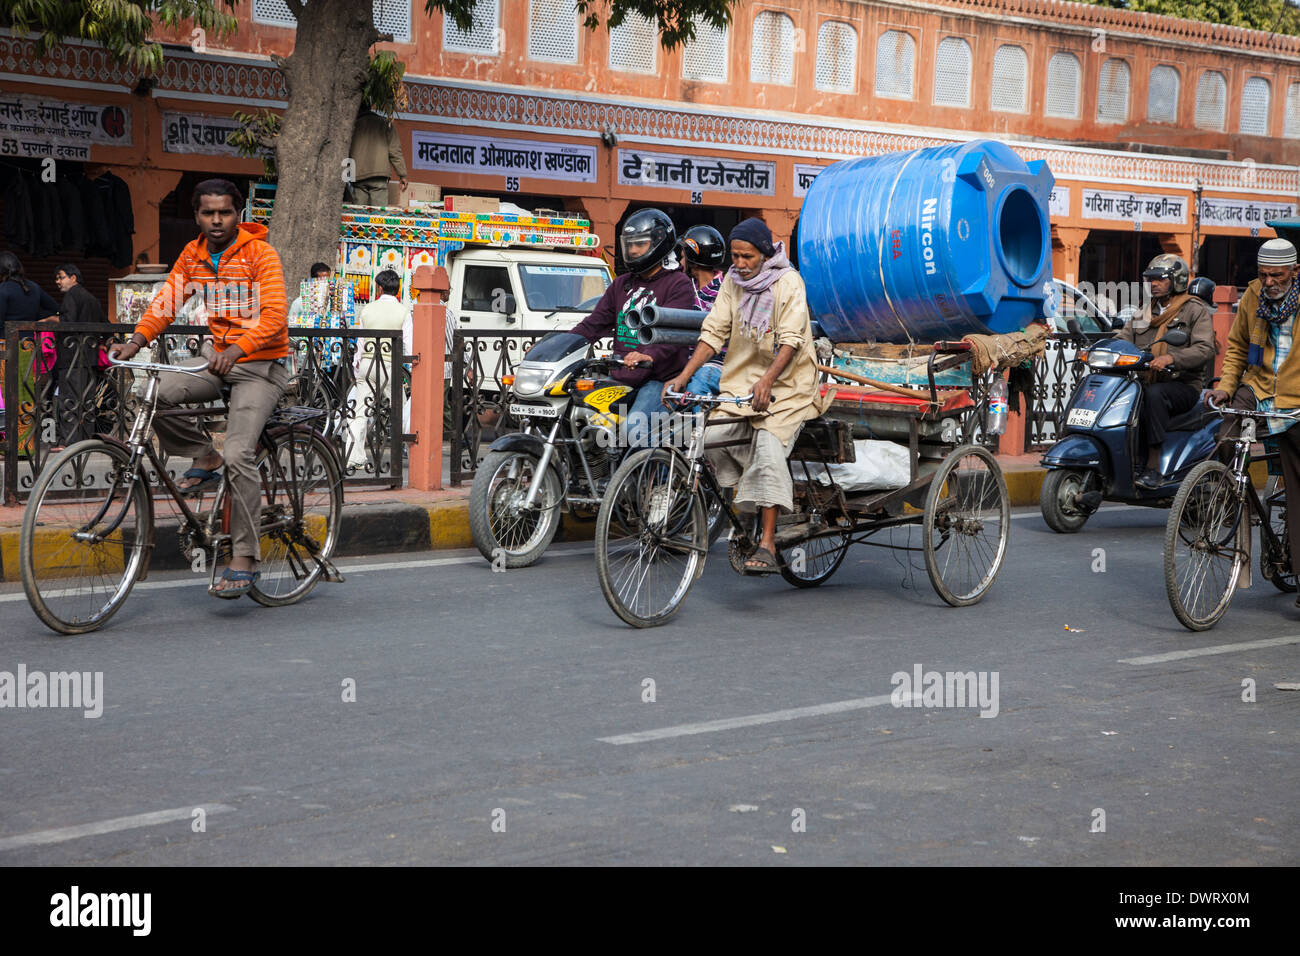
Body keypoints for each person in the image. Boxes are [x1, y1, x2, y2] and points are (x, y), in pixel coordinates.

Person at [110, 179, 290, 599]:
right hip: (215, 361)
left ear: (238, 213)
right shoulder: (193, 256)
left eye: (224, 212)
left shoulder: (260, 253)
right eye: (208, 213)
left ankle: (244, 555)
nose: (216, 220)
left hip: (260, 366)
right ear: (196, 216)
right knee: (152, 392)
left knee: (239, 453)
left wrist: (240, 348)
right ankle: (201, 454)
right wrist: (135, 342)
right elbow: (166, 303)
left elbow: (275, 315)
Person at [665, 217, 829, 573]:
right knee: (712, 436)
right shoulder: (733, 284)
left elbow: (790, 339)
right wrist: (683, 376)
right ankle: (748, 501)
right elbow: (713, 333)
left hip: (788, 387)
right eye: (735, 257)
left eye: (747, 257)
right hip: (741, 383)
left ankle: (767, 543)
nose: (739, 264)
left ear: (764, 254)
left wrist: (769, 380)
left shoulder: (788, 283)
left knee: (768, 448)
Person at [1208, 238, 1300, 607]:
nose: (1270, 282)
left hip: (1296, 399)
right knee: (1224, 434)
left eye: (1277, 275)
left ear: (1295, 272)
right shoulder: (1252, 298)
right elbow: (1236, 348)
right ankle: (1232, 510)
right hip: (1258, 387)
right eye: (1264, 275)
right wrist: (1226, 388)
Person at [570, 208, 697, 446]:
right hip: (620, 376)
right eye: (629, 244)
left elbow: (672, 336)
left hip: (660, 380)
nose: (633, 250)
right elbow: (592, 325)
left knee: (631, 429)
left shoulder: (678, 284)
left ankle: (648, 482)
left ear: (659, 242)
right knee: (583, 420)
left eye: (640, 244)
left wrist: (647, 354)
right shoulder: (621, 284)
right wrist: (557, 346)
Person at [1117, 254, 1216, 489]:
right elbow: (1124, 337)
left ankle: (1153, 468)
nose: (1154, 284)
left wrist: (1172, 357)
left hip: (1183, 385)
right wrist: (1103, 350)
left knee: (1154, 396)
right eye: (1151, 279)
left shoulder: (1194, 310)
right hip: (1147, 381)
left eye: (1160, 279)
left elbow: (1205, 348)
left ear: (1177, 280)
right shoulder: (1145, 312)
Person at [346, 268, 411, 471]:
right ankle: (407, 449)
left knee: (360, 413)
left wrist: (356, 371)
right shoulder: (403, 312)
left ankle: (353, 457)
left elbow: (361, 342)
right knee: (399, 410)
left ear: (379, 288)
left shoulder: (366, 310)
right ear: (397, 289)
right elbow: (410, 343)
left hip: (367, 364)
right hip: (390, 366)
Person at [0, 253, 60, 456]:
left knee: (6, 395)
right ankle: (25, 447)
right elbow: (54, 307)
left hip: (5, 346)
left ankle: (8, 445)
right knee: (26, 394)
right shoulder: (33, 287)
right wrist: (34, 319)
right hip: (28, 346)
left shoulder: (4, 290)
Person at [52, 263, 111, 449]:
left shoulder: (72, 295)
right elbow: (106, 325)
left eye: (61, 277)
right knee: (87, 400)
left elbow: (67, 322)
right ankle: (86, 440)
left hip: (71, 357)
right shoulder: (92, 298)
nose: (58, 282)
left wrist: (50, 320)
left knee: (69, 399)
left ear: (73, 278)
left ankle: (69, 442)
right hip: (90, 357)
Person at [680, 225, 727, 401]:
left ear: (693, 259)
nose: (680, 261)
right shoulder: (683, 288)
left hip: (716, 364)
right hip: (686, 362)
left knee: (694, 391)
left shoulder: (725, 291)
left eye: (683, 256)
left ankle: (697, 428)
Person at [348, 104, 407, 207]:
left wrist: (345, 176)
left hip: (358, 176)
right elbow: (395, 152)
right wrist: (402, 175)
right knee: (378, 215)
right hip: (379, 176)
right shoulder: (386, 124)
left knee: (359, 216)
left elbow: (345, 152)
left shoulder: (351, 126)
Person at [287, 261, 333, 327]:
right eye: (323, 281)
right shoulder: (299, 303)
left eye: (328, 280)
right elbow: (291, 327)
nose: (327, 284)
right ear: (314, 281)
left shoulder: (331, 303)